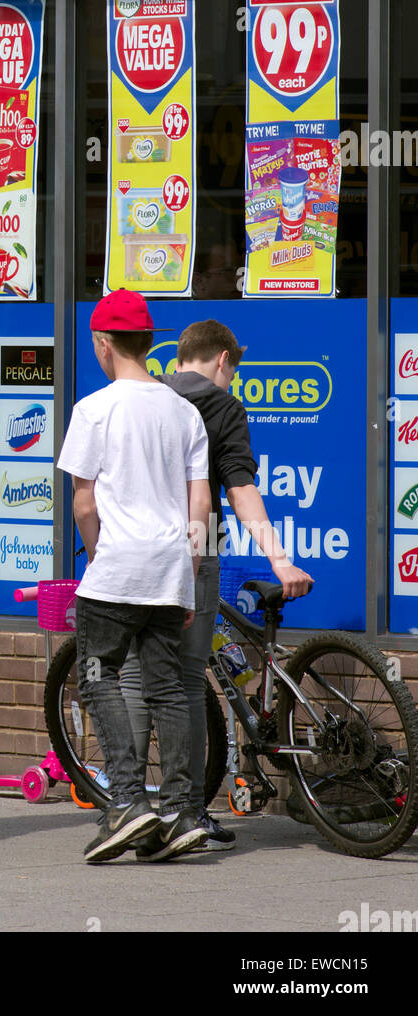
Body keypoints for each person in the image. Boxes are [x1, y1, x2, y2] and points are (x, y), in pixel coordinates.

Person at [121, 318, 314, 849]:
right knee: (185, 680)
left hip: (133, 555)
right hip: (192, 551)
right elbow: (240, 487)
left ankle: (131, 810)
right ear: (223, 360)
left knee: (136, 679)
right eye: (233, 370)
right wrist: (278, 559)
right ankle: (185, 811)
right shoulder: (221, 406)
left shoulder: (146, 398)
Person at [57, 289, 211, 864]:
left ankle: (127, 802)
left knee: (98, 676)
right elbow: (201, 502)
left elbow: (83, 502)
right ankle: (178, 811)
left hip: (117, 574)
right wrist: (189, 568)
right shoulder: (185, 411)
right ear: (149, 343)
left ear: (102, 343)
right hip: (171, 573)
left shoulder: (95, 409)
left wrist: (94, 556)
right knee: (169, 687)